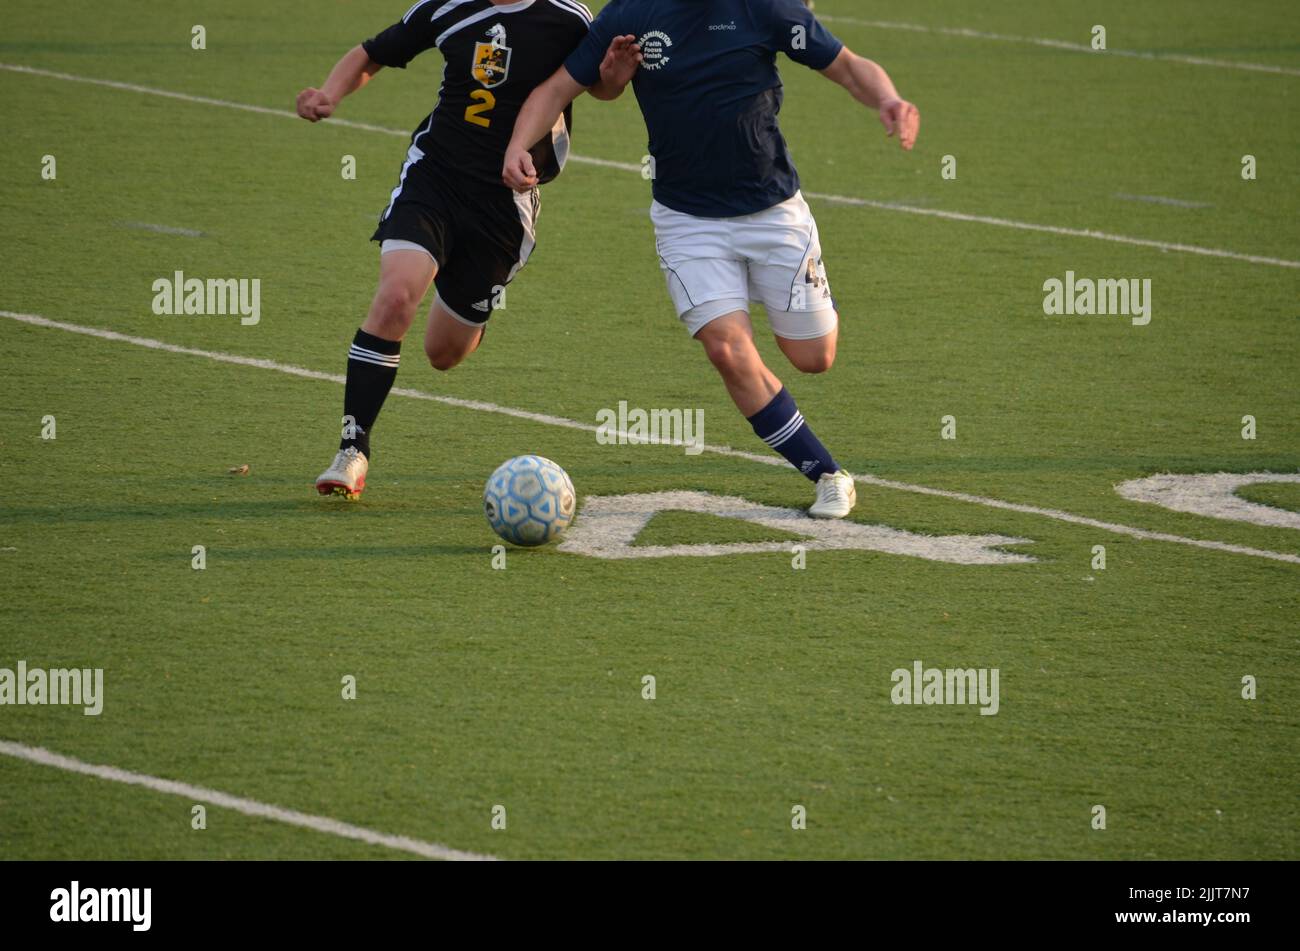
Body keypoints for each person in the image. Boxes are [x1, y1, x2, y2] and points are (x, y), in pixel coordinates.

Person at [503, 0, 919, 518]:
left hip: (772, 212)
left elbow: (848, 66)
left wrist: (888, 99)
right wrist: (520, 143)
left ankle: (789, 296)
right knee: (726, 349)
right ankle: (826, 474)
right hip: (688, 222)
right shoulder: (632, 12)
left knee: (814, 356)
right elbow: (557, 89)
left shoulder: (765, 8)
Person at [298, 0, 617, 500]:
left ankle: (471, 316)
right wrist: (329, 93)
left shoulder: (568, 17)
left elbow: (598, 86)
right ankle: (352, 450)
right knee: (396, 296)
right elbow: (372, 52)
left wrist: (615, 74)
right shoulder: (448, 8)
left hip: (504, 208)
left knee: (443, 354)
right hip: (435, 179)